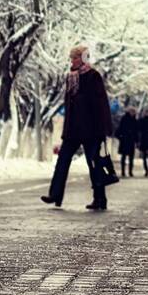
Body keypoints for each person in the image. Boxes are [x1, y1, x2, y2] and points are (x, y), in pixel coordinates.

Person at [41, 44, 113, 211]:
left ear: (83, 59)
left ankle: (100, 198)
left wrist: (103, 129)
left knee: (94, 165)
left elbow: (101, 104)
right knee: (62, 162)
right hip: (72, 130)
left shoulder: (94, 76)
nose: (72, 61)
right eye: (71, 58)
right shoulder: (70, 77)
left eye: (75, 58)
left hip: (91, 130)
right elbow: (70, 106)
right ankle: (55, 195)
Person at [115, 104, 139, 177]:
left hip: (131, 141)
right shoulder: (124, 118)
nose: (132, 113)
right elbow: (120, 128)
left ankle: (130, 171)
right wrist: (121, 137)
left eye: (133, 111)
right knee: (124, 157)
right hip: (125, 140)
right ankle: (123, 172)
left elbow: (136, 130)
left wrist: (136, 140)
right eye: (131, 111)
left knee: (131, 157)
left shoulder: (135, 120)